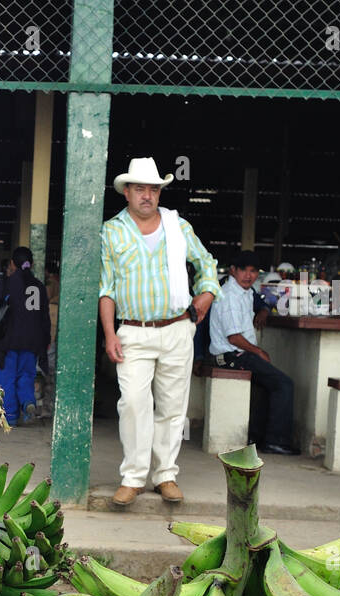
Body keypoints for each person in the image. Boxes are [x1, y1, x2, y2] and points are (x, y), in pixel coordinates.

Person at [99, 157, 218, 507]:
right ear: (127, 193)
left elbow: (206, 262)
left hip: (177, 328)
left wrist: (208, 292)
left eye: (153, 189)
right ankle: (133, 477)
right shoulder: (112, 231)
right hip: (133, 331)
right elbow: (106, 288)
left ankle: (165, 474)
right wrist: (109, 334)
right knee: (133, 403)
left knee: (172, 407)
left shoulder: (176, 225)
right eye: (140, 189)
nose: (147, 195)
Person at [208, 250, 298, 455]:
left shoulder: (246, 292)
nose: (249, 276)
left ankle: (257, 438)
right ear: (233, 271)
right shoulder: (230, 295)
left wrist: (264, 310)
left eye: (254, 271)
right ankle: (277, 441)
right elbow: (234, 337)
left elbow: (262, 304)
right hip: (230, 356)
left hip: (239, 354)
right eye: (244, 270)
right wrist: (259, 351)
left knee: (268, 385)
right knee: (284, 384)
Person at [0, 246, 49, 425]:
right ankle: (27, 403)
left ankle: (10, 417)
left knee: (7, 379)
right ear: (31, 264)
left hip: (8, 341)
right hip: (32, 341)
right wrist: (46, 340)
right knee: (26, 375)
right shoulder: (39, 287)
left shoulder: (7, 284)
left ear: (12, 263)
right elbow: (45, 317)